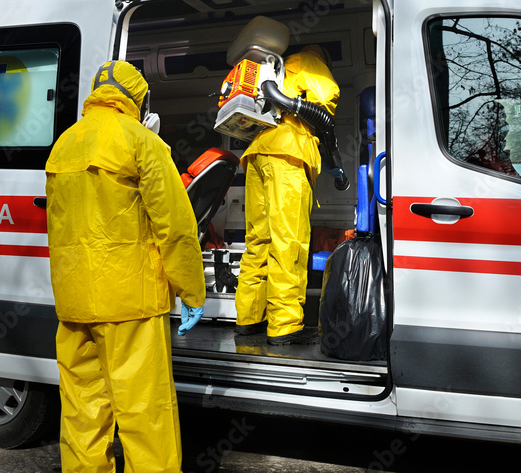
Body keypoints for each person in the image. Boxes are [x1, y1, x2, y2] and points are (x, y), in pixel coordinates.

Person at [45, 60, 206, 473]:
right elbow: (175, 227)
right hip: (131, 303)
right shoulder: (142, 143)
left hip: (74, 302)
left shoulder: (64, 144)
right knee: (145, 415)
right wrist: (191, 290)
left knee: (82, 416)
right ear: (138, 99)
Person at [235, 42, 340, 345]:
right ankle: (284, 325)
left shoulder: (278, 69)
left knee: (258, 241)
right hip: (288, 155)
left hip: (258, 154)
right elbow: (325, 99)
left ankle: (249, 318)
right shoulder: (309, 61)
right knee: (288, 242)